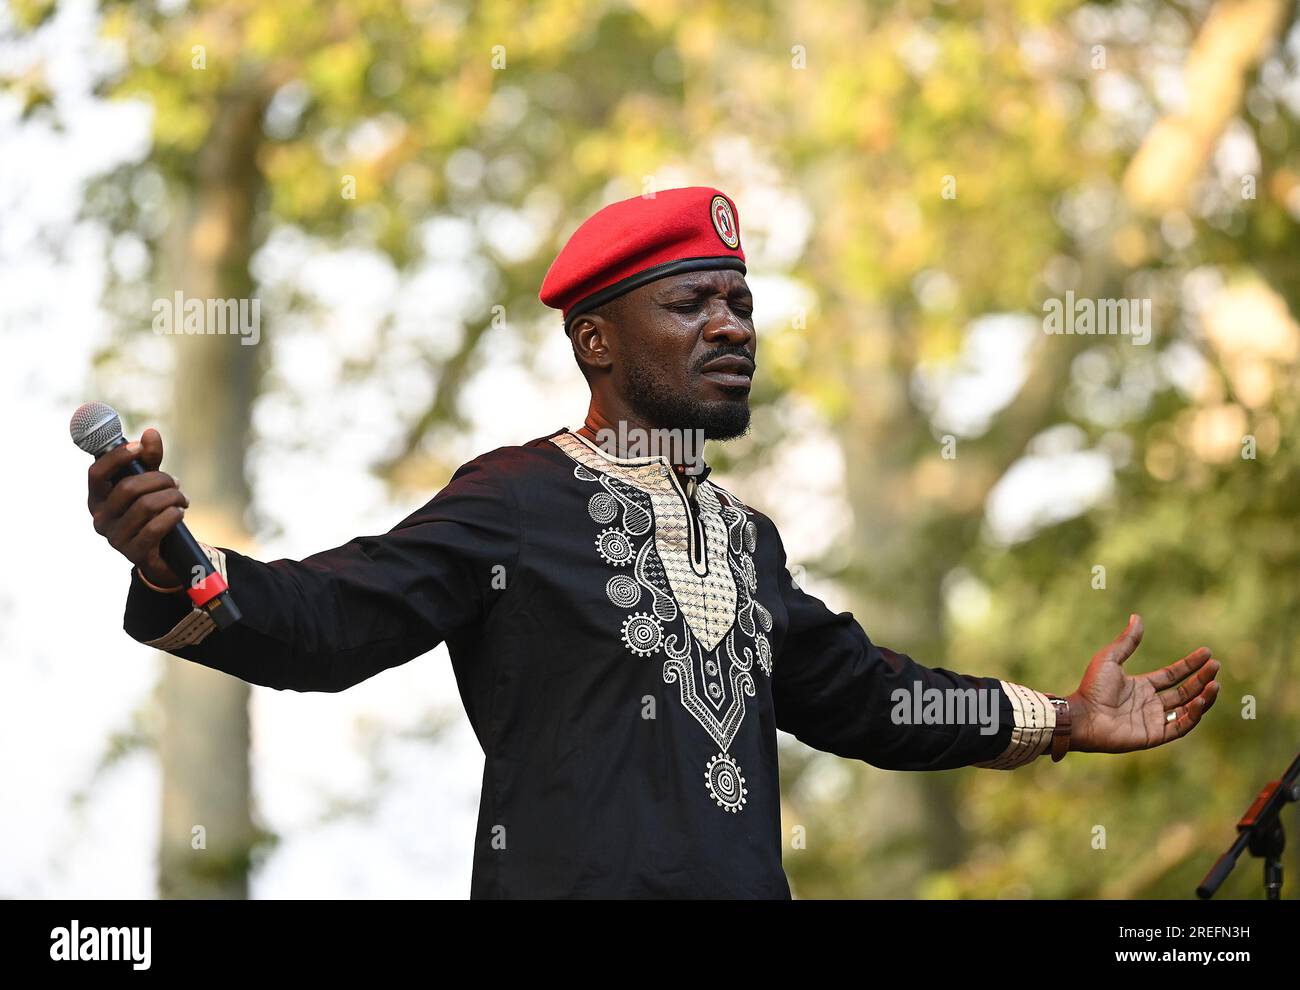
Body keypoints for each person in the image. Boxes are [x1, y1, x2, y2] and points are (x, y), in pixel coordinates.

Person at [85, 186, 1221, 898]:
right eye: (690, 304)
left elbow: (866, 697)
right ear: (595, 339)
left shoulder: (748, 541)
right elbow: (334, 623)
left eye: (741, 303)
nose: (730, 325)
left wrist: (1061, 721)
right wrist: (169, 558)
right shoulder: (514, 502)